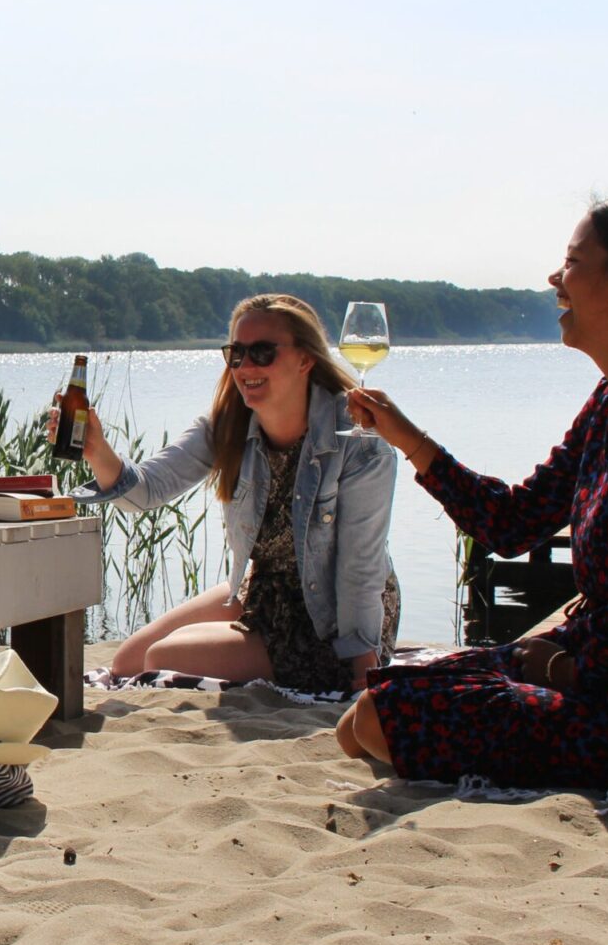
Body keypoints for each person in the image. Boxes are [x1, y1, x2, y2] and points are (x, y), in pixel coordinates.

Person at [337, 189, 608, 792]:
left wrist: (564, 664)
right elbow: (515, 522)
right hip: (601, 673)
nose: (555, 277)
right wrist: (405, 435)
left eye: (572, 262)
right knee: (365, 714)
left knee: (378, 720)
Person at [64, 294, 398, 697]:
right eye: (236, 353)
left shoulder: (359, 443)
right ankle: (242, 644)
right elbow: (147, 490)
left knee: (160, 658)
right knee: (128, 660)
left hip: (329, 618)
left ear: (306, 360)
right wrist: (97, 449)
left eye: (262, 352)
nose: (246, 366)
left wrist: (362, 666)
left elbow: (360, 570)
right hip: (262, 590)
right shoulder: (229, 423)